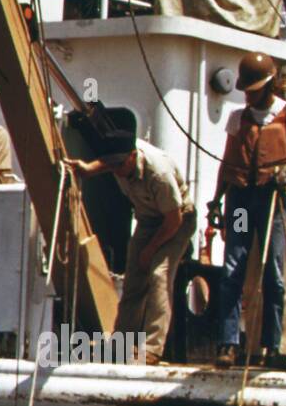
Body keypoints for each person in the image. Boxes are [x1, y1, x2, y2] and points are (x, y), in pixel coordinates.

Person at [208, 51, 286, 369]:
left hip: (271, 201)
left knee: (275, 276)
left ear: (268, 87)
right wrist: (217, 202)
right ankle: (228, 344)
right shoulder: (237, 118)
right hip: (240, 201)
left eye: (253, 89)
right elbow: (227, 164)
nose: (249, 95)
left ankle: (272, 347)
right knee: (232, 270)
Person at [64, 138, 197, 365]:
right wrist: (88, 169)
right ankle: (121, 343)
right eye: (113, 166)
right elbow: (108, 162)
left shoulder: (158, 174)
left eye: (120, 166)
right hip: (148, 218)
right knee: (133, 279)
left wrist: (150, 250)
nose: (116, 171)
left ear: (133, 156)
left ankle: (153, 349)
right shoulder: (119, 158)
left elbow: (173, 220)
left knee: (159, 275)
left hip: (177, 219)